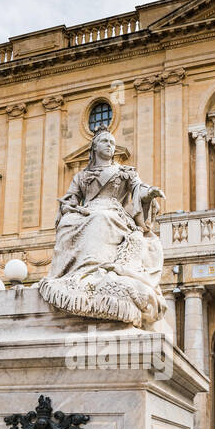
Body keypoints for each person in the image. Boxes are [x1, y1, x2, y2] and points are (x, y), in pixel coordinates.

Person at [37, 128, 167, 328]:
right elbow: (71, 198)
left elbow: (138, 188)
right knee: (68, 222)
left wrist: (149, 193)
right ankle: (78, 274)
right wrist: (68, 207)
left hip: (114, 213)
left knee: (101, 218)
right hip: (85, 212)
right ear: (95, 147)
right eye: (105, 141)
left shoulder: (125, 172)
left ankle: (93, 270)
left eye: (112, 143)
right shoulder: (81, 176)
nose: (109, 145)